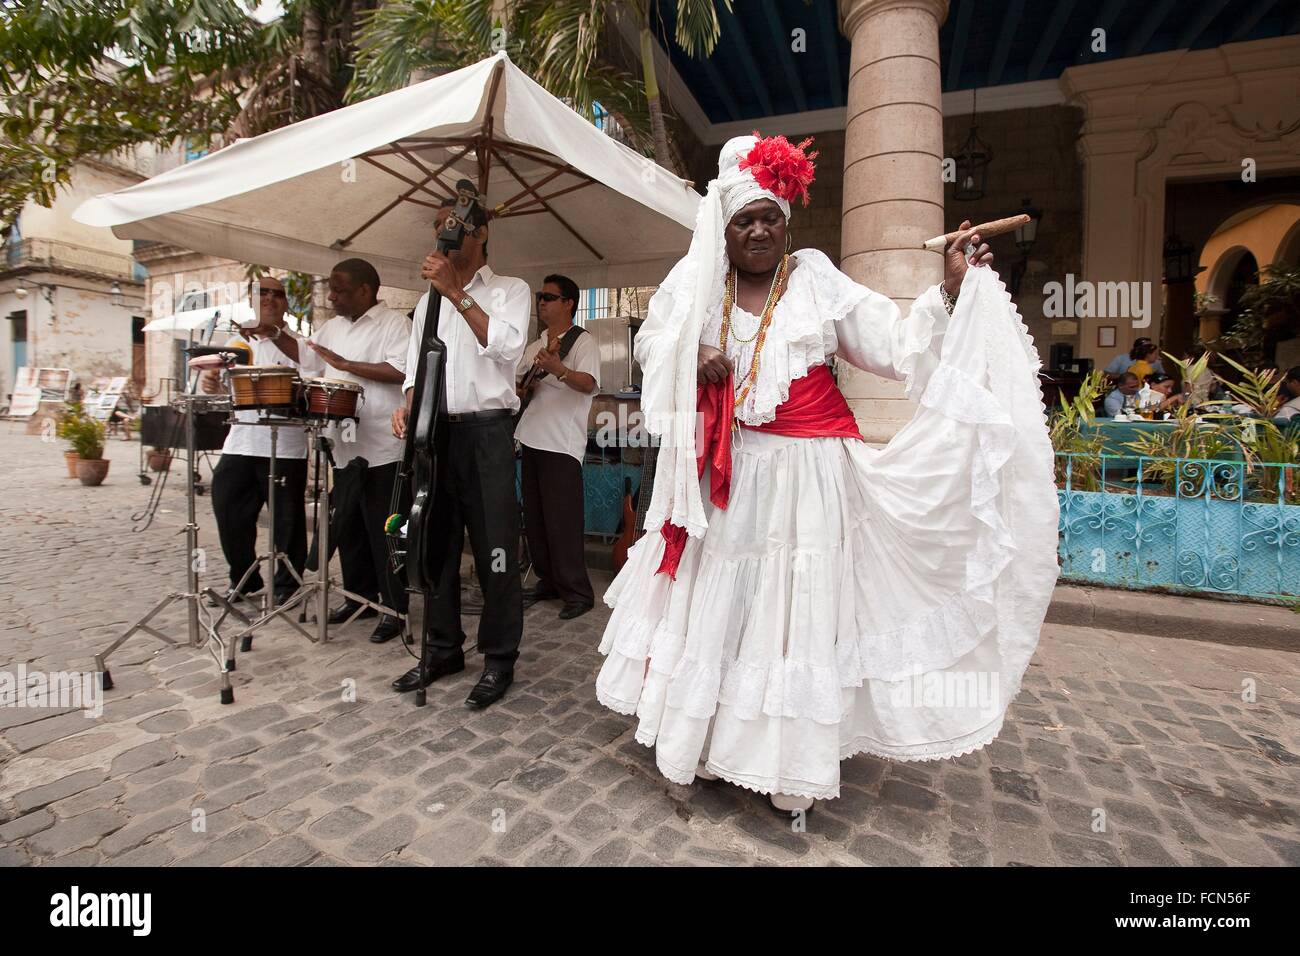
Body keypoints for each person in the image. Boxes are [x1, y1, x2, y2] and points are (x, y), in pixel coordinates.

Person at [593, 134, 1059, 813]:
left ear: (788, 222)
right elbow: (652, 344)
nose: (758, 230)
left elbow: (894, 345)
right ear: (723, 227)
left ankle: (786, 764)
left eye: (770, 218)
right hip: (728, 475)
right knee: (724, 609)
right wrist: (690, 355)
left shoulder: (813, 277)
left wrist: (950, 291)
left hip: (811, 479)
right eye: (744, 219)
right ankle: (711, 740)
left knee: (795, 614)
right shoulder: (696, 284)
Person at [390, 195, 531, 709]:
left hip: (488, 433)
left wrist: (455, 292)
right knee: (436, 545)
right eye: (436, 228)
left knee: (495, 550)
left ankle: (498, 659)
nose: (442, 237)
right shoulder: (426, 301)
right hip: (436, 436)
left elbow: (507, 348)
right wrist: (408, 405)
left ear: (481, 232)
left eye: (452, 226)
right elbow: (415, 368)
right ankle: (442, 648)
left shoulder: (510, 290)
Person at [306, 259, 412, 643]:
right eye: (331, 289)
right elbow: (312, 369)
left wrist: (345, 364)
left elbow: (403, 371)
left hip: (385, 447)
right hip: (344, 446)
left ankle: (394, 607)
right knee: (348, 526)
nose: (332, 296)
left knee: (384, 530)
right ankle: (361, 597)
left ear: (366, 290)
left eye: (340, 289)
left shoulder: (395, 324)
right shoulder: (331, 327)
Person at [204, 275, 318, 606]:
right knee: (228, 509)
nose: (269, 298)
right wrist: (214, 386)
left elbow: (310, 384)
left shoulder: (300, 344)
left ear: (286, 303)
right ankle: (244, 578)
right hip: (240, 441)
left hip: (285, 445)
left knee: (287, 520)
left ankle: (288, 584)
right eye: (261, 293)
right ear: (251, 301)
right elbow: (223, 390)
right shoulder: (237, 345)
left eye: (277, 294)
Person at [516, 274, 601, 620]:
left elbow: (589, 383)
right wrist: (523, 389)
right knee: (535, 519)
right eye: (540, 296)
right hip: (532, 437)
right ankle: (548, 579)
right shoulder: (535, 342)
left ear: (569, 303)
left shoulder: (583, 342)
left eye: (549, 297)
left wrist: (559, 369)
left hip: (562, 443)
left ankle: (578, 592)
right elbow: (520, 383)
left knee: (562, 521)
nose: (542, 302)